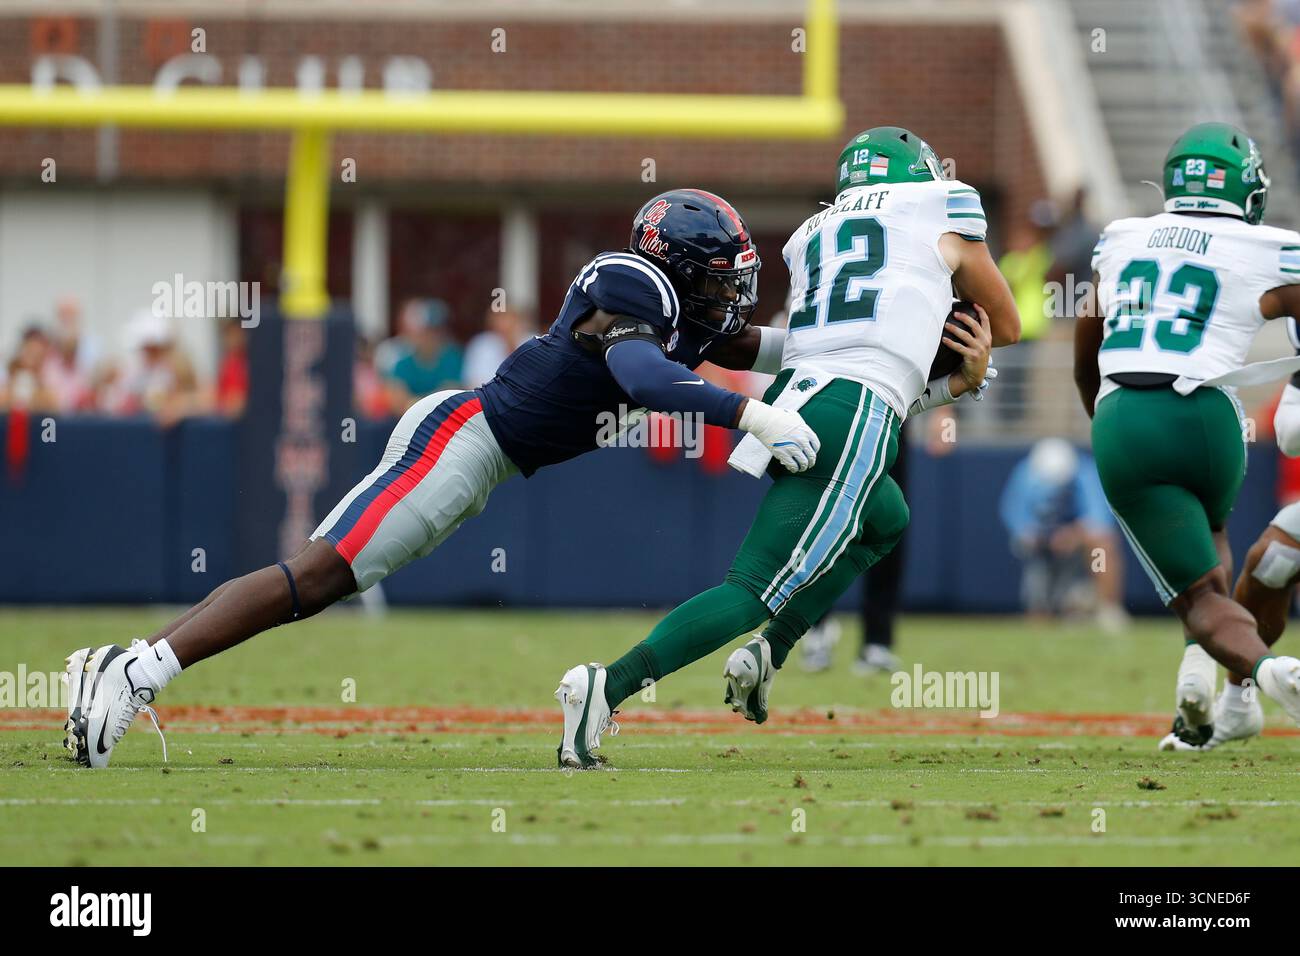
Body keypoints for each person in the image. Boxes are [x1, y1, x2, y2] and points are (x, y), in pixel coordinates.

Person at [60, 189, 821, 768]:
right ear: (678, 265)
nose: (731, 292)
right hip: (465, 438)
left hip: (487, 455)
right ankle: (137, 674)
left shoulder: (687, 314)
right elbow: (644, 375)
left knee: (329, 576)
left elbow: (779, 345)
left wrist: (897, 353)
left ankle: (116, 665)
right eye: (721, 275)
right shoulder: (628, 285)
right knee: (322, 573)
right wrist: (751, 418)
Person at [555, 127, 1021, 768]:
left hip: (801, 397)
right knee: (752, 587)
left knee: (887, 517)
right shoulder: (939, 206)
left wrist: (945, 384)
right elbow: (1008, 323)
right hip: (852, 408)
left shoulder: (813, 233)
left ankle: (769, 651)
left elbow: (869, 358)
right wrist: (959, 359)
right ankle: (607, 685)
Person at [1074, 122, 1300, 752]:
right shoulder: (1272, 247)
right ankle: (1200, 681)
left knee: (1197, 596)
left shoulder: (1123, 236)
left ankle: (1271, 674)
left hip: (1130, 409)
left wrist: (1108, 423)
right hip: (1213, 417)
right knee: (1210, 535)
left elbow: (1087, 342)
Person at [998, 437, 1127, 631]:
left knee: (1102, 544)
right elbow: (1014, 513)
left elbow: (1100, 520)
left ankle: (1106, 607)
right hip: (1041, 546)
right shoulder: (1025, 473)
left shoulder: (1086, 472)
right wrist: (1034, 535)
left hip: (1079, 546)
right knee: (1039, 615)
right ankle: (1055, 603)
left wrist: (1073, 535)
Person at [385, 299, 464, 412]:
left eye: (434, 331)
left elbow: (451, 395)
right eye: (425, 331)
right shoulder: (403, 363)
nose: (429, 337)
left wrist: (413, 402)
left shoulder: (452, 359)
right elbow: (397, 401)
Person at [462, 307, 531, 388]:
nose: (504, 324)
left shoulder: (532, 341)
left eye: (507, 318)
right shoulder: (481, 344)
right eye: (499, 319)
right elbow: (472, 382)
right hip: (490, 397)